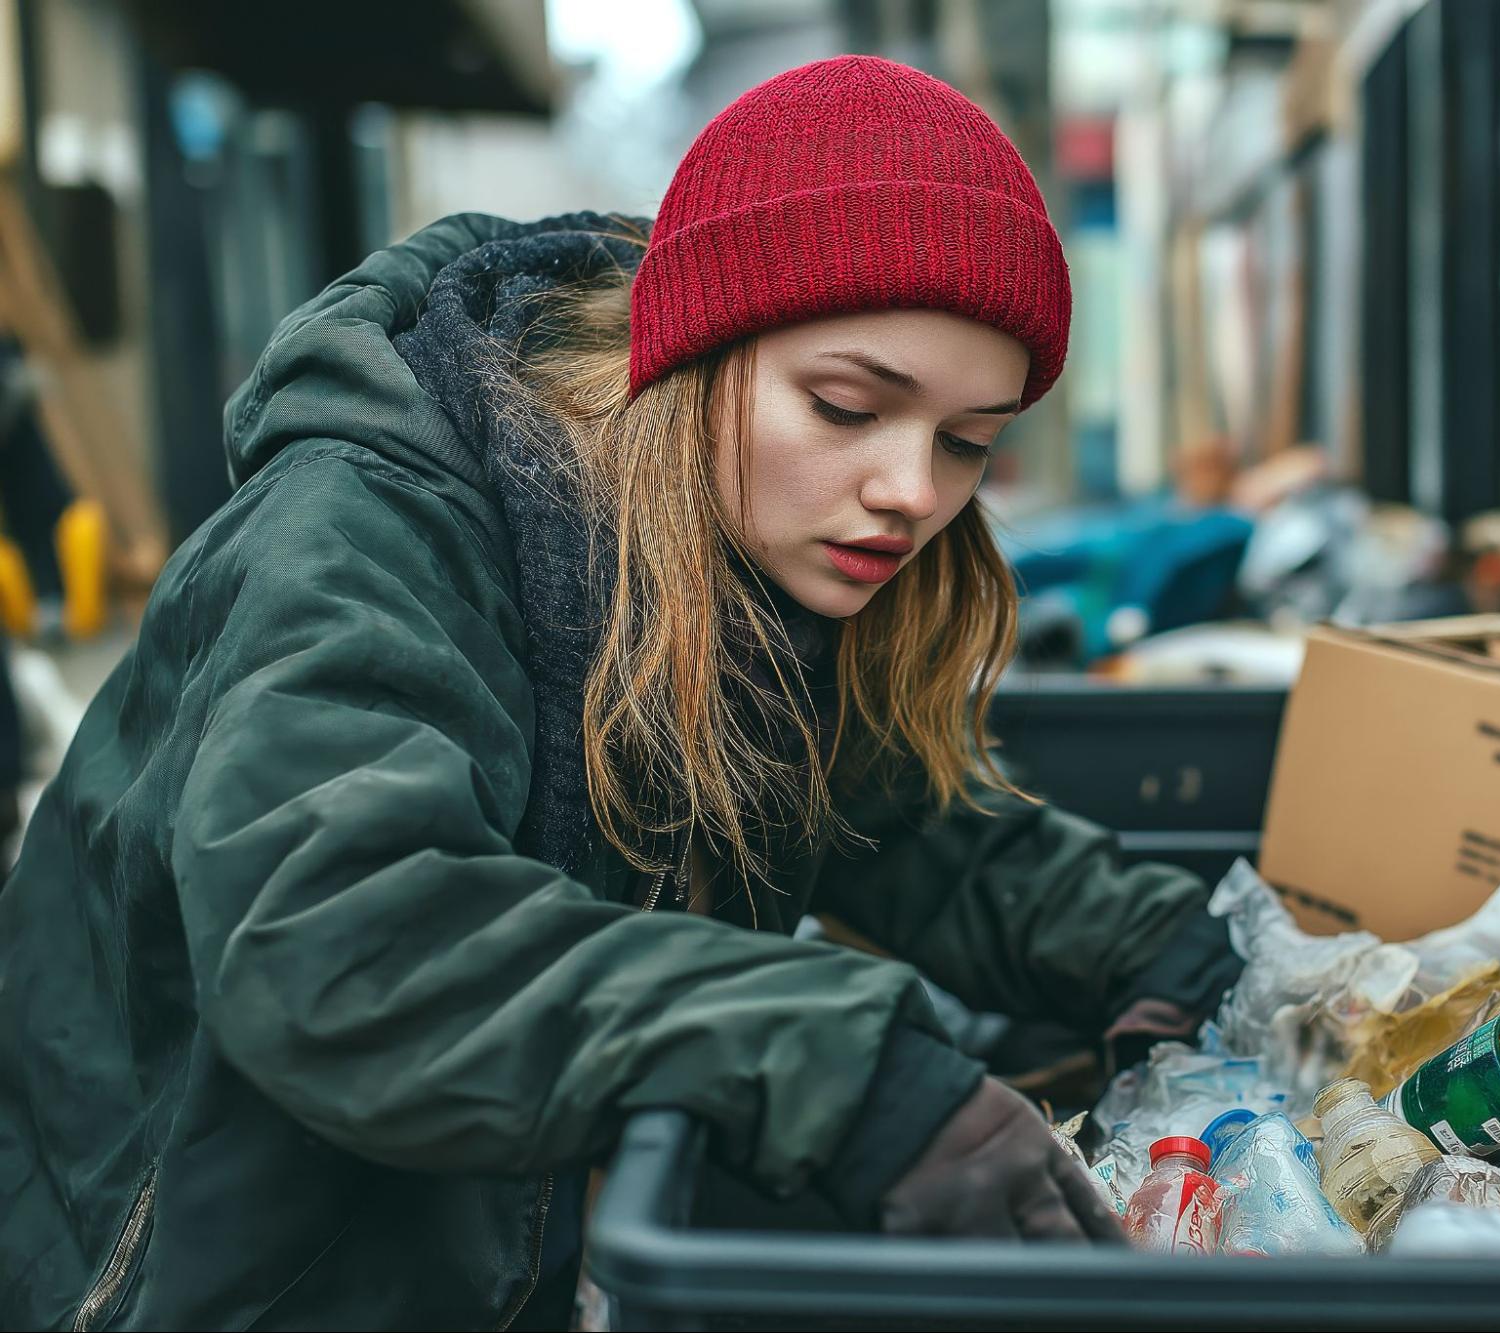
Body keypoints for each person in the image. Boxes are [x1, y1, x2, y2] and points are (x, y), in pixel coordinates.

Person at [0, 56, 1241, 1329]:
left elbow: (893, 818)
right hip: (208, 1278)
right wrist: (839, 1062)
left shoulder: (751, 550)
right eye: (846, 405)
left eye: (968, 442)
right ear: (695, 357)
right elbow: (345, 938)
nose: (913, 490)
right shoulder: (361, 538)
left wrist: (1166, 948)